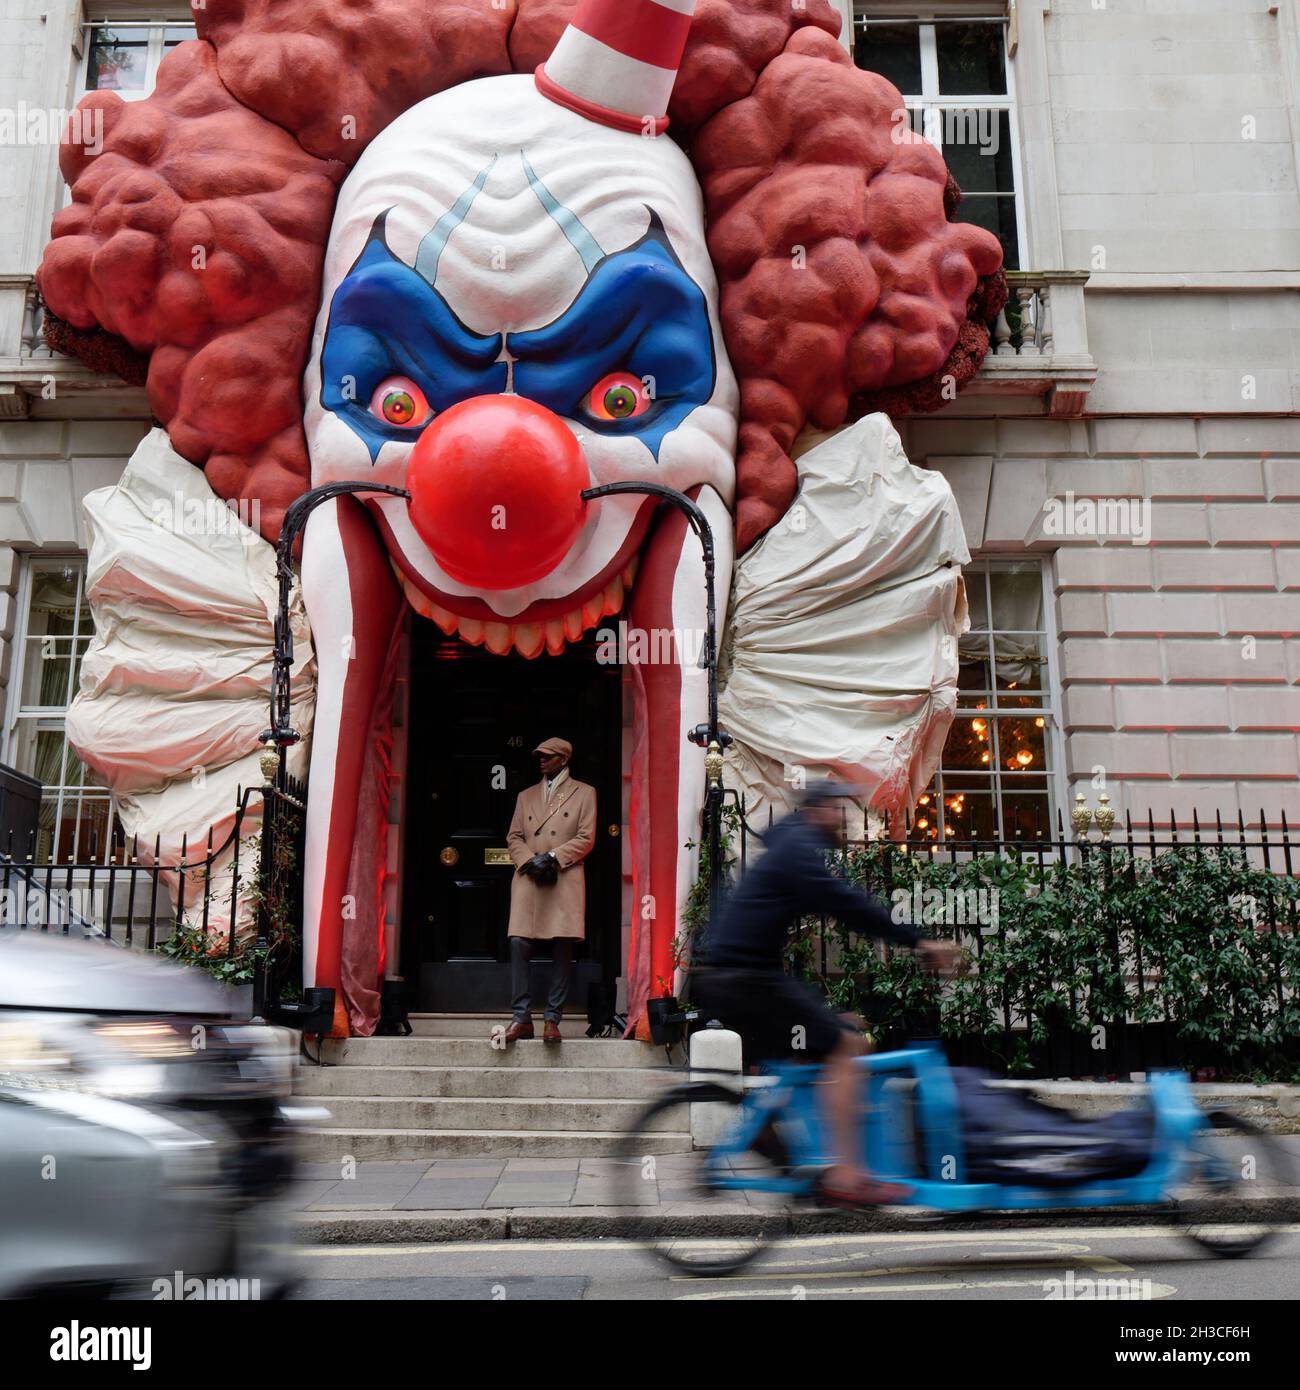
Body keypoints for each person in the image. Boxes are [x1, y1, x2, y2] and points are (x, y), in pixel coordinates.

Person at [692, 779, 961, 1206]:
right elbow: (849, 905)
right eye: (839, 809)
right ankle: (847, 1176)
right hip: (746, 979)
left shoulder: (790, 847)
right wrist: (919, 941)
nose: (844, 819)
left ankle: (772, 1131)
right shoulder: (799, 851)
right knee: (846, 1044)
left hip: (736, 977)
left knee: (831, 1035)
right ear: (818, 811)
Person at [502, 738, 596, 1045]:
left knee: (562, 945)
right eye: (539, 756)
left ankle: (552, 1019)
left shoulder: (585, 793)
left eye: (547, 756)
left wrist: (553, 857)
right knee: (518, 942)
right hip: (529, 876)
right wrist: (529, 861)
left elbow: (586, 837)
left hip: (564, 876)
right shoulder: (525, 795)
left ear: (563, 760)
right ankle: (521, 1017)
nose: (541, 760)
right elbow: (514, 835)